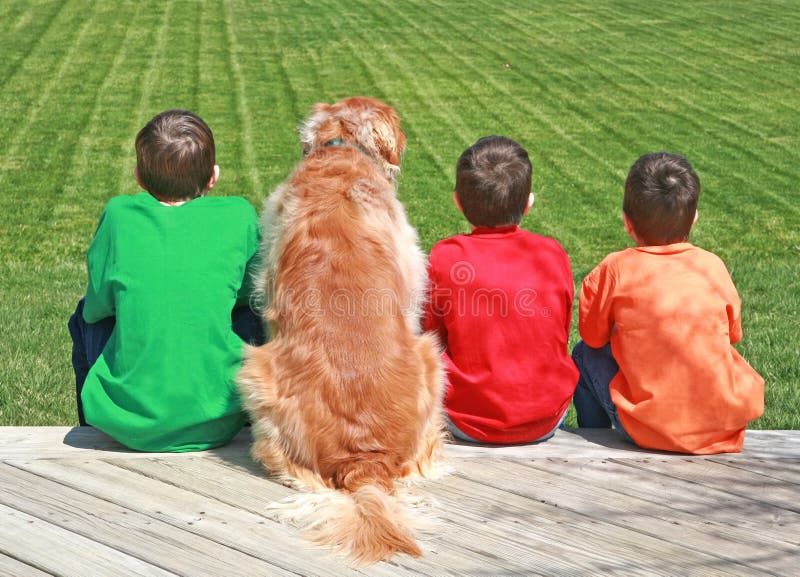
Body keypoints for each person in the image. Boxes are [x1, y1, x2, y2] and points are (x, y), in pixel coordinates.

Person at [68, 109, 265, 452]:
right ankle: (257, 414)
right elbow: (251, 293)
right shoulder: (239, 214)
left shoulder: (118, 216)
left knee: (83, 313)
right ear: (213, 177)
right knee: (257, 315)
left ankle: (92, 425)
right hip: (220, 417)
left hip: (127, 426)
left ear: (139, 177)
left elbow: (99, 305)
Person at [572, 152, 764, 454]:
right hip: (720, 427)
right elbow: (734, 334)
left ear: (627, 222)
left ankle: (594, 442)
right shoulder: (711, 266)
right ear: (695, 217)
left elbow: (593, 337)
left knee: (584, 355)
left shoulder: (615, 268)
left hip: (651, 430)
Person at [423, 136, 578, 444]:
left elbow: (431, 336)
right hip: (546, 418)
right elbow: (559, 328)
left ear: (457, 200)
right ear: (528, 202)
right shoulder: (553, 253)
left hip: (466, 421)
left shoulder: (445, 257)